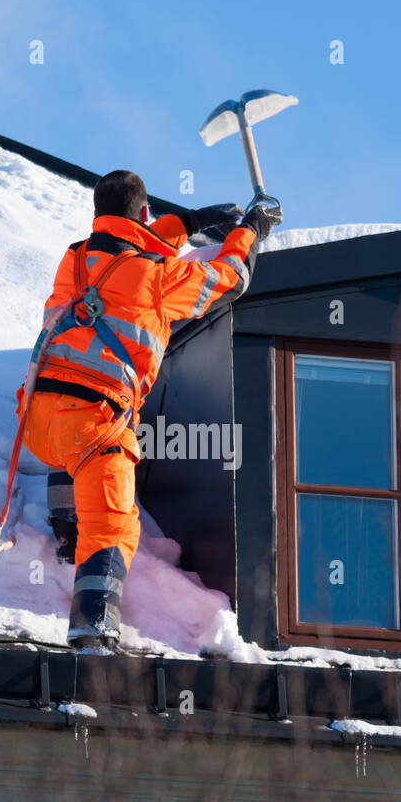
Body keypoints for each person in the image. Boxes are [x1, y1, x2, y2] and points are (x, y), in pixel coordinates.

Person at [18, 169, 281, 651]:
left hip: (37, 419)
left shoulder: (73, 260)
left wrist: (184, 224)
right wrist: (251, 229)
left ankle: (64, 531)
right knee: (114, 522)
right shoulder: (158, 278)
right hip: (94, 423)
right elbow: (228, 281)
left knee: (72, 456)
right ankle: (92, 633)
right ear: (143, 213)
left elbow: (125, 251)